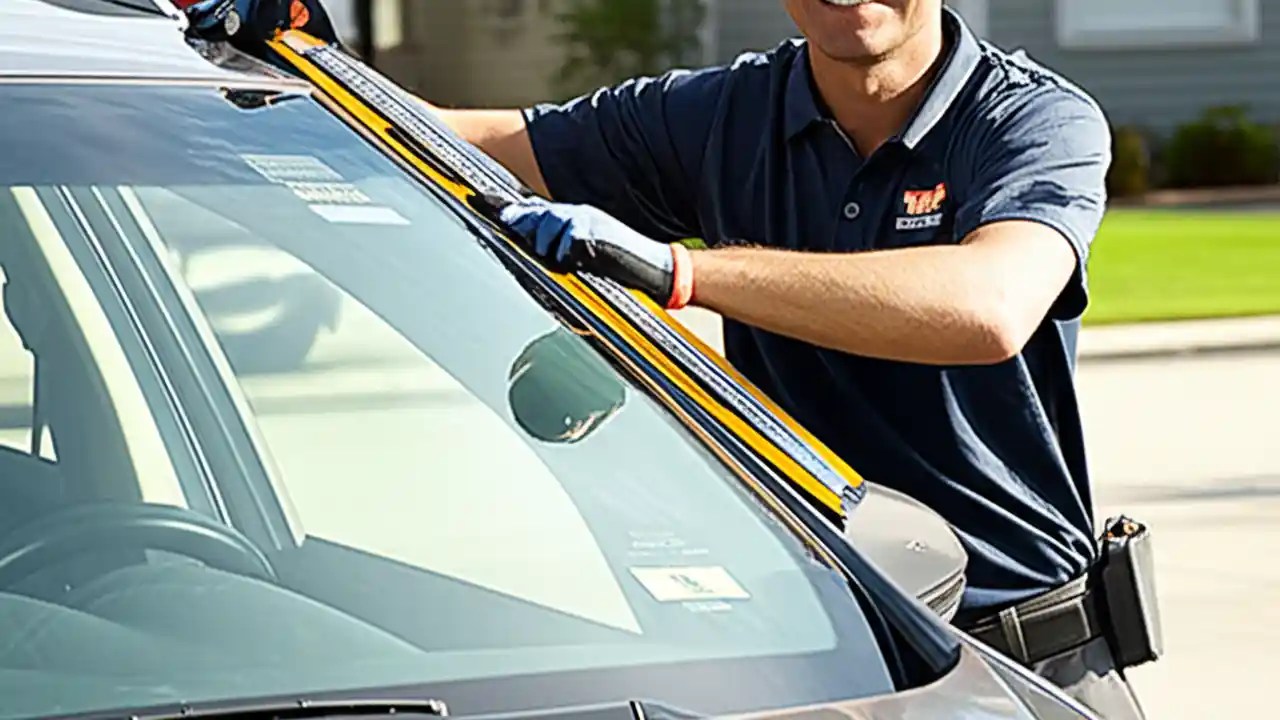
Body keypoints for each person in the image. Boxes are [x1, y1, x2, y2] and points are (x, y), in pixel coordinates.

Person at [426, 2, 1144, 716]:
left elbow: (988, 307)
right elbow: (453, 137)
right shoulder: (724, 116)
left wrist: (683, 273)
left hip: (1026, 657)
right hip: (819, 665)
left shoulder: (1033, 118)